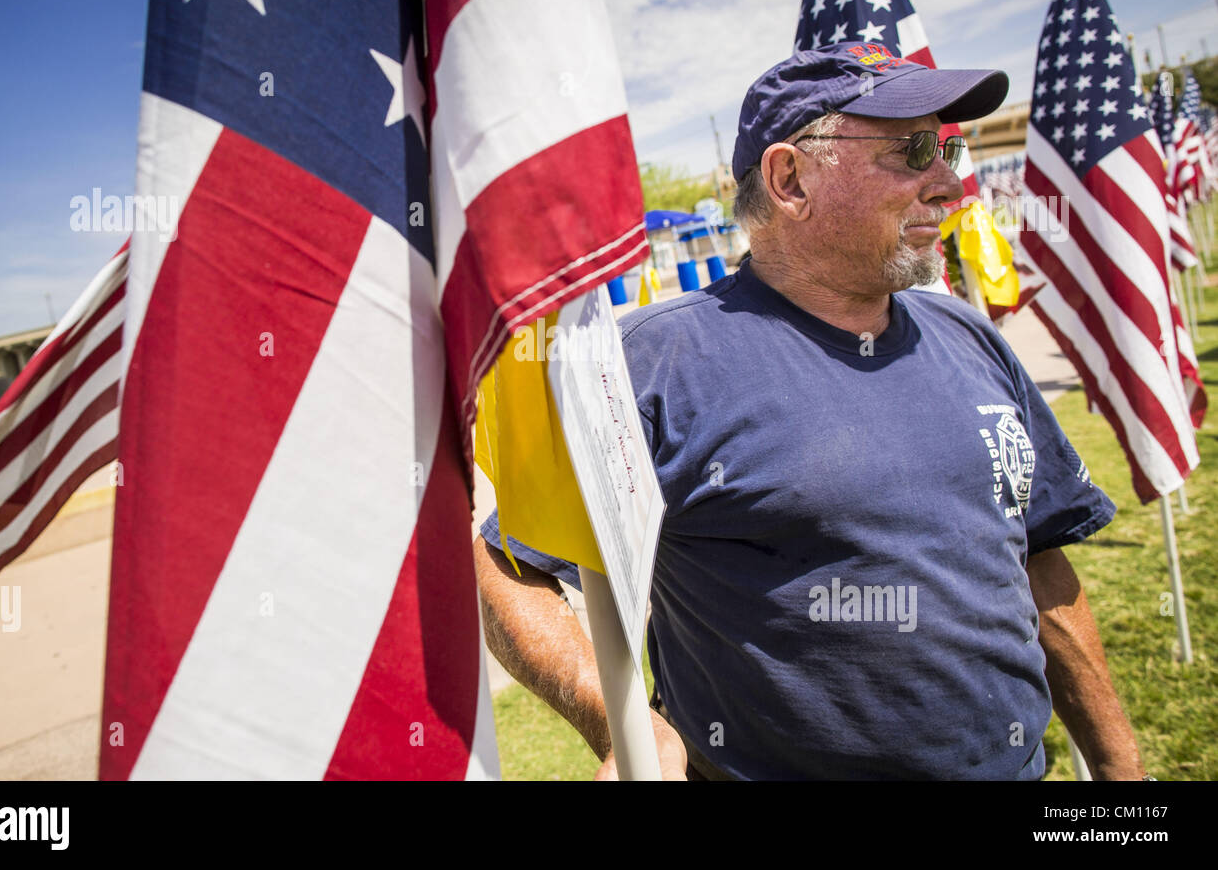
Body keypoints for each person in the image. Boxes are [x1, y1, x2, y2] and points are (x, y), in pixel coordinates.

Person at [474, 42, 1145, 781]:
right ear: (790, 179)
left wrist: (1121, 771)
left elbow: (1039, 556)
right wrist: (625, 722)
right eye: (914, 151)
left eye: (947, 149)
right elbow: (506, 562)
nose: (949, 183)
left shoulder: (969, 335)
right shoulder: (656, 364)